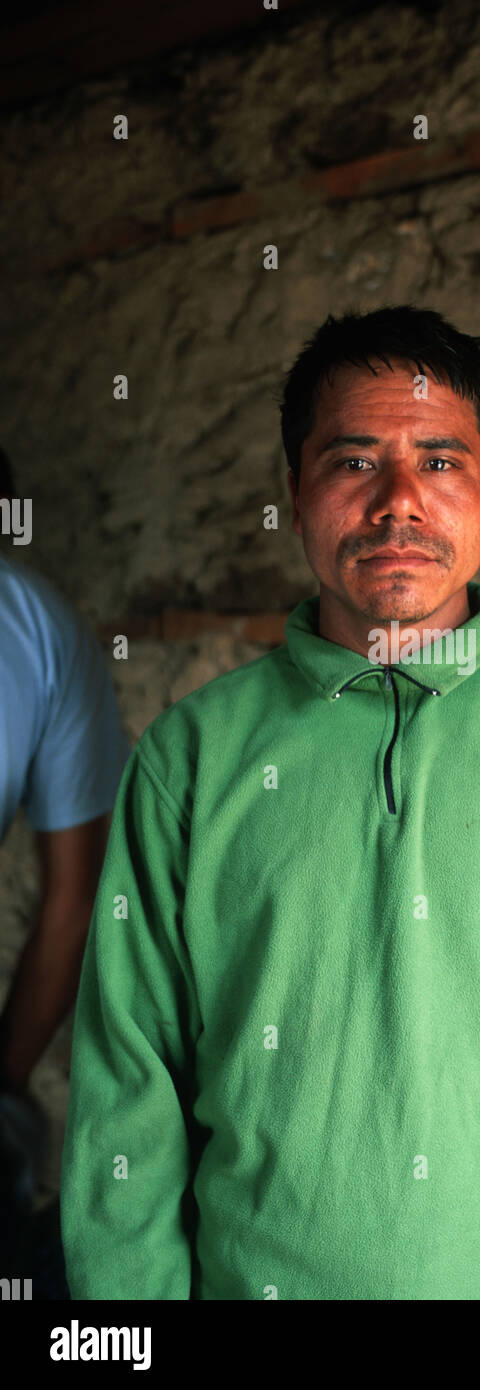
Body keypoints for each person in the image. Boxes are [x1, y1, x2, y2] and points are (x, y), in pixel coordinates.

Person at [60, 305, 480, 1300]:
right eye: (351, 460)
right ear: (295, 494)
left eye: (439, 461)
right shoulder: (190, 761)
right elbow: (126, 1106)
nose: (397, 502)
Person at [0, 446, 130, 1294]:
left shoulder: (37, 633)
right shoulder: (36, 625)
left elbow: (76, 905)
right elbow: (71, 905)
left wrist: (3, 1082)